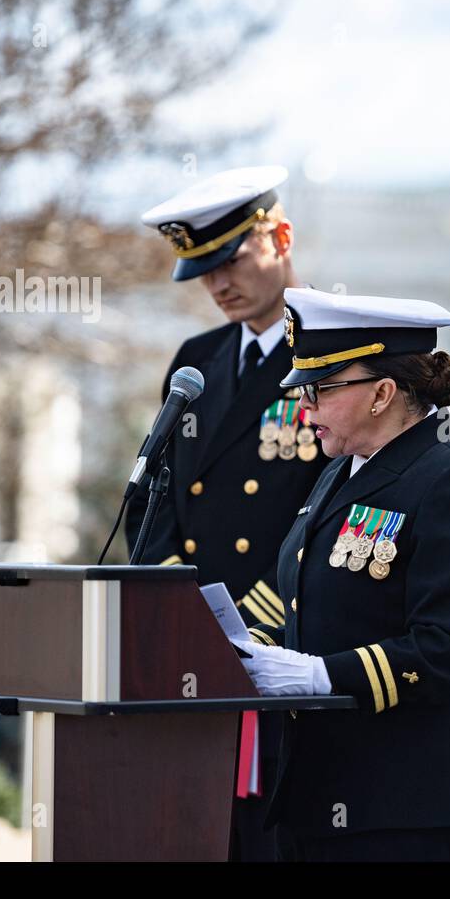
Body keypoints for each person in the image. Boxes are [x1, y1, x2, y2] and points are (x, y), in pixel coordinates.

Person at [233, 287, 450, 861]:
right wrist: (244, 649)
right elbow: (313, 604)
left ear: (383, 393)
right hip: (318, 796)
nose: (304, 407)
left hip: (407, 807)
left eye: (320, 389)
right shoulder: (342, 471)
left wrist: (318, 677)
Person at [127, 166, 329, 860]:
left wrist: (251, 622)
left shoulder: (339, 349)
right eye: (202, 271)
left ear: (282, 237)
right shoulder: (198, 360)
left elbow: (347, 500)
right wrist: (169, 605)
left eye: (233, 259)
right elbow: (160, 499)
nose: (218, 285)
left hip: (290, 647)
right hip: (200, 653)